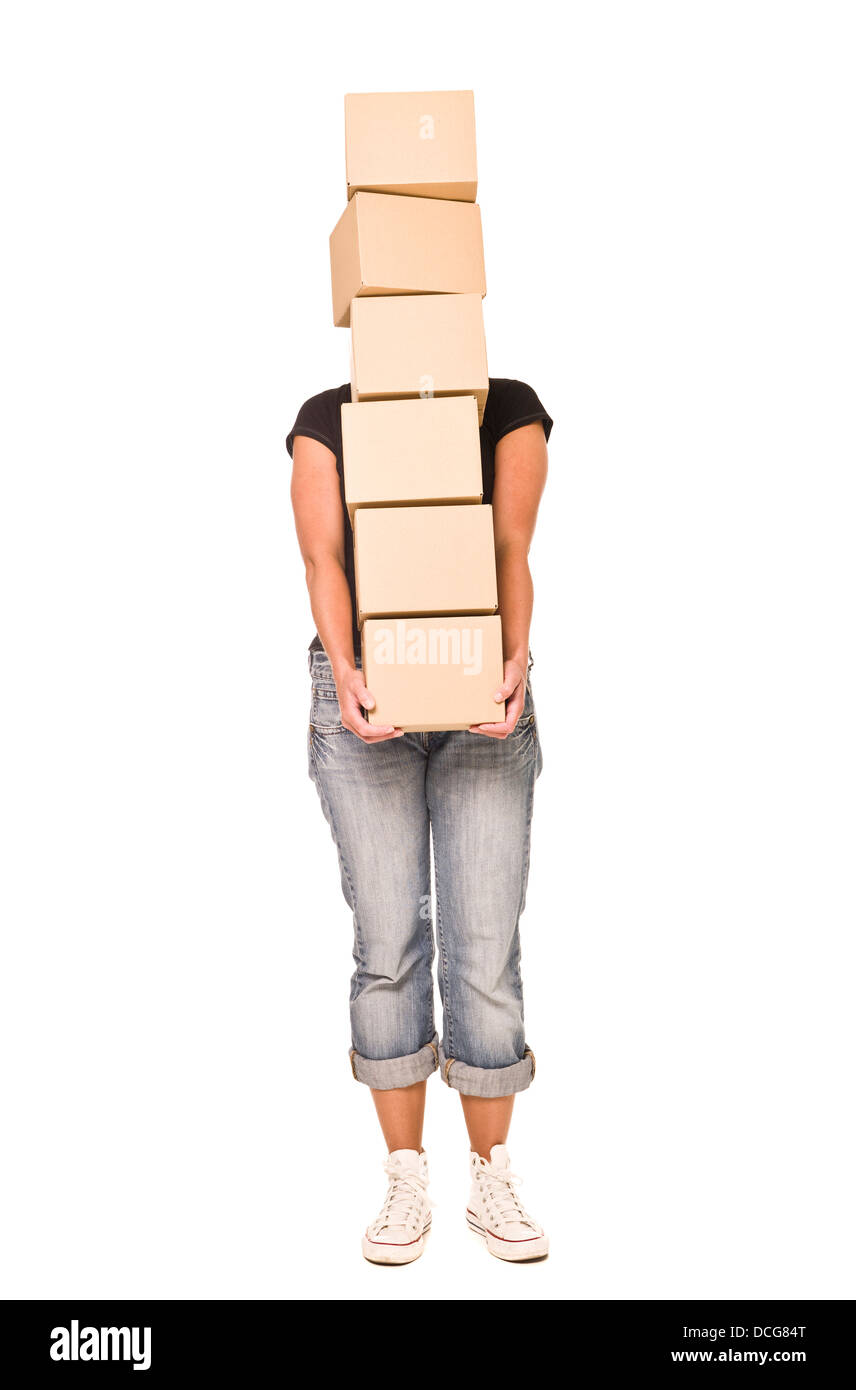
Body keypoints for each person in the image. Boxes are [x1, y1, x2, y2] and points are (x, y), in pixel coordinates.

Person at [287, 377, 551, 1264]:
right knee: (390, 938)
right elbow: (323, 557)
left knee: (483, 944)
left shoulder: (509, 405)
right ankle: (405, 1174)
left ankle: (492, 1174)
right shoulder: (328, 416)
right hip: (365, 691)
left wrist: (513, 659)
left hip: (480, 688)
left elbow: (511, 543)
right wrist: (346, 663)